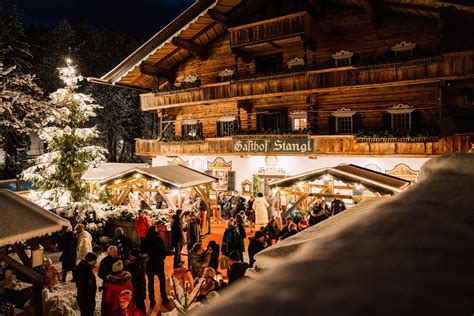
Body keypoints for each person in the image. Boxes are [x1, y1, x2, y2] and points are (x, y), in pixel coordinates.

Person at [141, 226, 169, 309]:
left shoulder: (145, 240)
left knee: (150, 282)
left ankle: (152, 300)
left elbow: (142, 251)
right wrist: (162, 258)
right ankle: (164, 298)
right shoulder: (159, 239)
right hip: (158, 263)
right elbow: (164, 250)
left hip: (149, 264)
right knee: (162, 281)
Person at [124, 249, 147, 314]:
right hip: (139, 287)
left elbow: (133, 274)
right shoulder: (139, 262)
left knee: (139, 305)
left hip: (138, 288)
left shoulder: (137, 264)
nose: (129, 257)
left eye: (130, 256)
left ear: (134, 256)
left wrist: (128, 266)